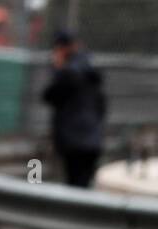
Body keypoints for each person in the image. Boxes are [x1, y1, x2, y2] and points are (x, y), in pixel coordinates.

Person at [41, 30, 106, 188]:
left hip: (73, 141)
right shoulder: (90, 71)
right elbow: (101, 105)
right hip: (93, 139)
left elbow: (49, 95)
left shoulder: (68, 72)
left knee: (75, 186)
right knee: (84, 185)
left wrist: (57, 69)